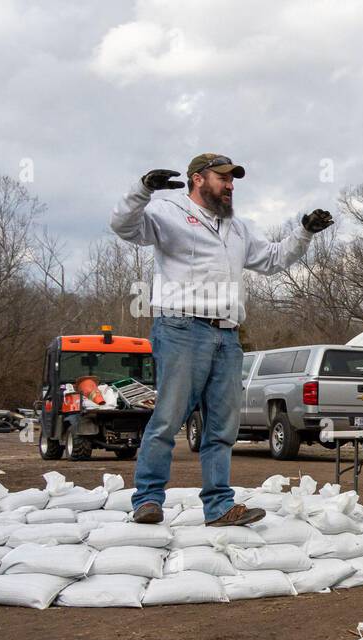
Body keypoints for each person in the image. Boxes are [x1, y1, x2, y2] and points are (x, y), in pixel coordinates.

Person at [111, 153, 333, 526]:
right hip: (180, 329)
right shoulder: (169, 213)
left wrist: (305, 232)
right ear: (198, 179)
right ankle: (147, 500)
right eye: (223, 178)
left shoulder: (237, 229)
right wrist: (143, 189)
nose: (230, 186)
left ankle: (218, 506)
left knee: (222, 426)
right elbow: (124, 226)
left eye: (233, 181)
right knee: (168, 418)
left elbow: (274, 260)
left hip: (227, 335)